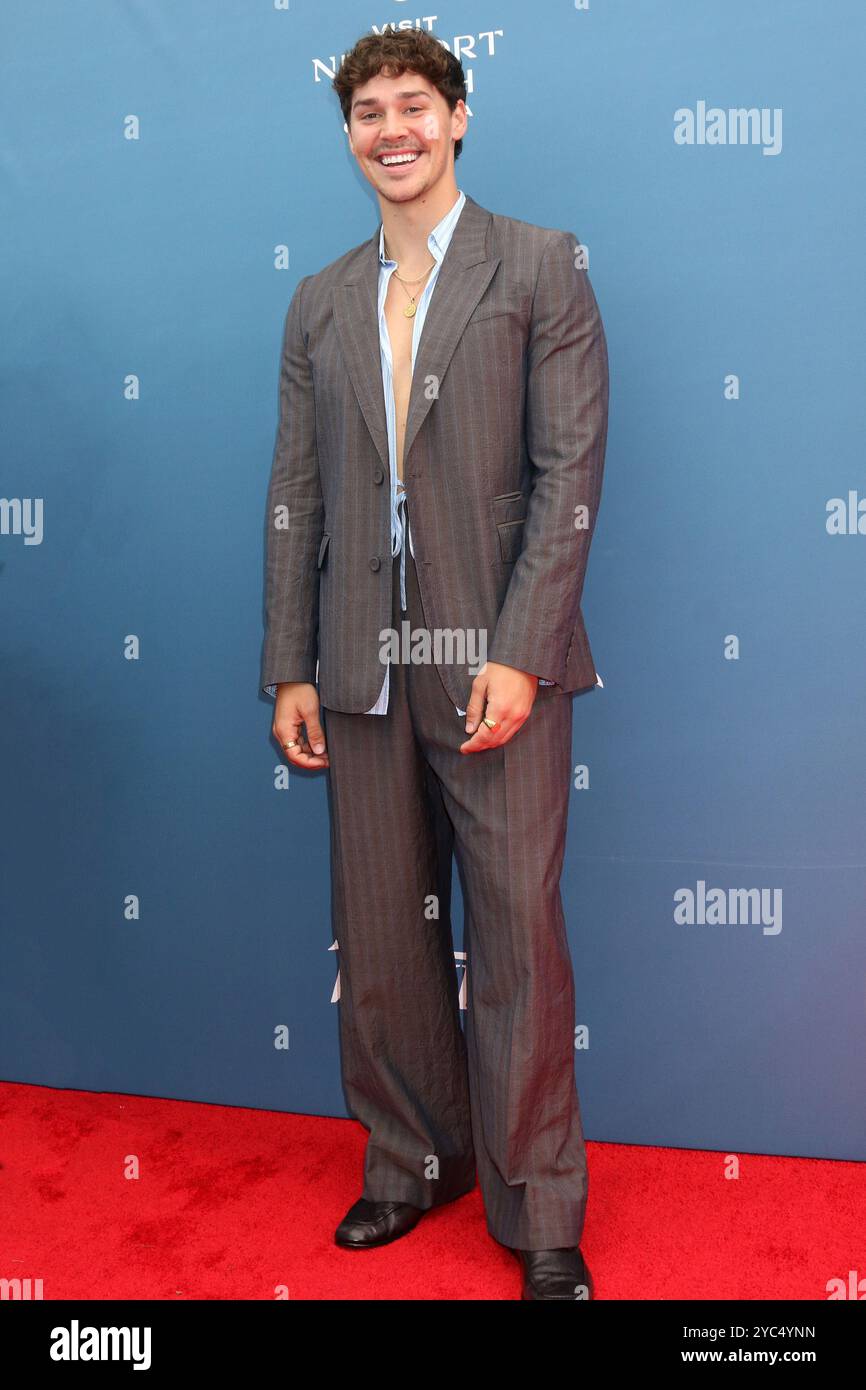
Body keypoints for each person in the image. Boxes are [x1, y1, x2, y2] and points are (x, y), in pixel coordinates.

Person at [261, 28, 609, 1301]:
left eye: (413, 103)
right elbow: (294, 491)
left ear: (459, 116)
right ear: (348, 135)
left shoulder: (538, 264)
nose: (389, 127)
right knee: (384, 932)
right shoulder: (319, 299)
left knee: (515, 934)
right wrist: (288, 664)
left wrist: (519, 653)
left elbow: (568, 474)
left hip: (491, 663)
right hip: (354, 665)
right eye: (366, 111)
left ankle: (540, 1212)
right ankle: (411, 1161)